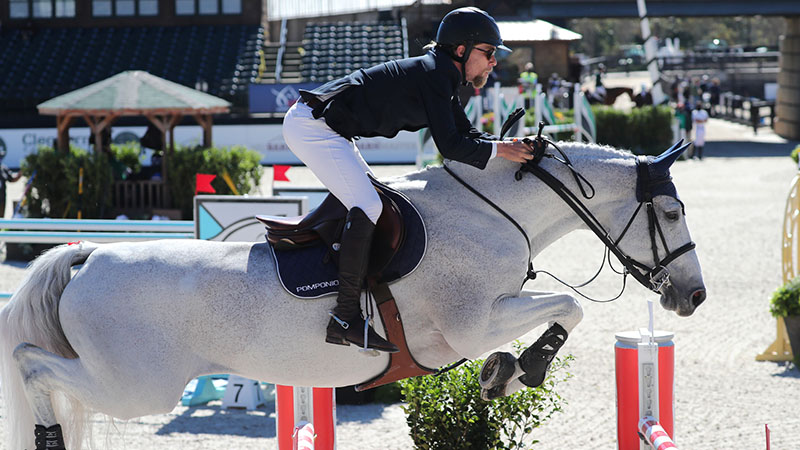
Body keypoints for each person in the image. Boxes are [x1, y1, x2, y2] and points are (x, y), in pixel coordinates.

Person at [282, 7, 534, 352]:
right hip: (314, 128)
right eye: (489, 52)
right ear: (462, 50)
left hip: (330, 131)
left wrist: (510, 149)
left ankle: (354, 290)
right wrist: (502, 151)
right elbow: (451, 146)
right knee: (368, 205)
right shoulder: (436, 75)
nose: (493, 62)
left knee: (376, 205)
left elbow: (466, 132)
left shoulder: (442, 75)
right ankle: (344, 318)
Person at [0, 148, 22, 218]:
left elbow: (12, 179)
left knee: (1, 216)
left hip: (1, 198)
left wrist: (20, 174)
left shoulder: (3, 168)